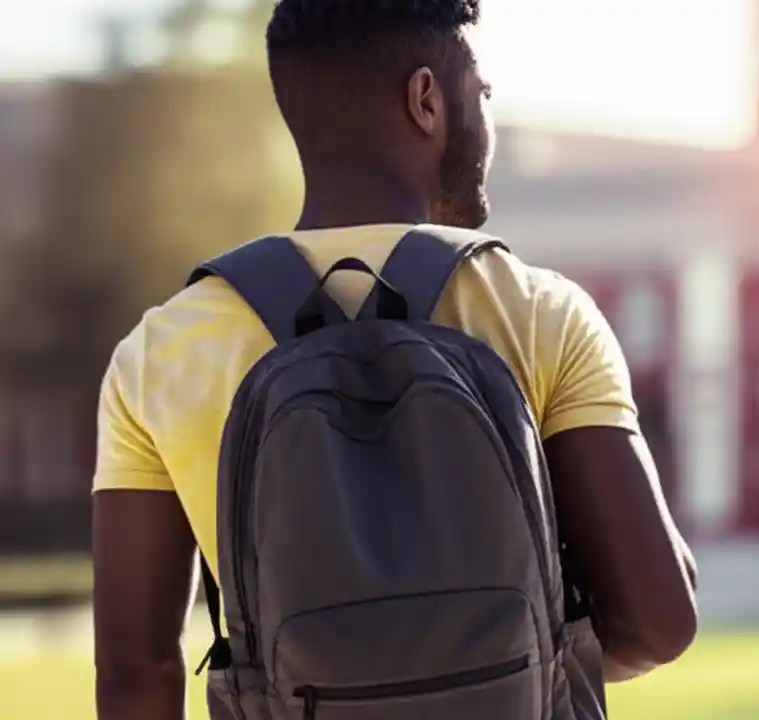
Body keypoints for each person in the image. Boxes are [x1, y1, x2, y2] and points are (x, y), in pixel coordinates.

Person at [92, 1, 698, 717]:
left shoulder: (161, 351)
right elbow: (657, 621)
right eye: (483, 95)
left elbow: (138, 669)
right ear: (426, 100)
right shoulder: (540, 312)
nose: (487, 121)